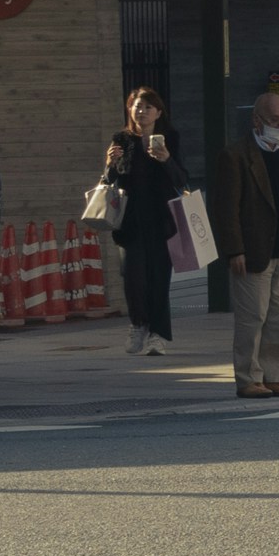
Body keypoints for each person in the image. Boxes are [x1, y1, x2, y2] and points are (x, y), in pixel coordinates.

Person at [214, 87, 279, 399]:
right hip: (253, 250)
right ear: (257, 120)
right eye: (274, 120)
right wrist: (234, 248)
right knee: (253, 317)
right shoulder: (235, 156)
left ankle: (276, 375)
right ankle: (248, 377)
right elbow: (226, 207)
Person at [100, 85, 188, 357]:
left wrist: (166, 159)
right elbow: (109, 182)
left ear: (158, 112)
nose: (142, 111)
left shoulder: (169, 138)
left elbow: (181, 179)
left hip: (162, 219)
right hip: (131, 220)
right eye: (137, 106)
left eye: (148, 107)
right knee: (134, 278)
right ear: (130, 110)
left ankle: (158, 335)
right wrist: (109, 164)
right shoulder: (123, 139)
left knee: (159, 279)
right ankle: (139, 323)